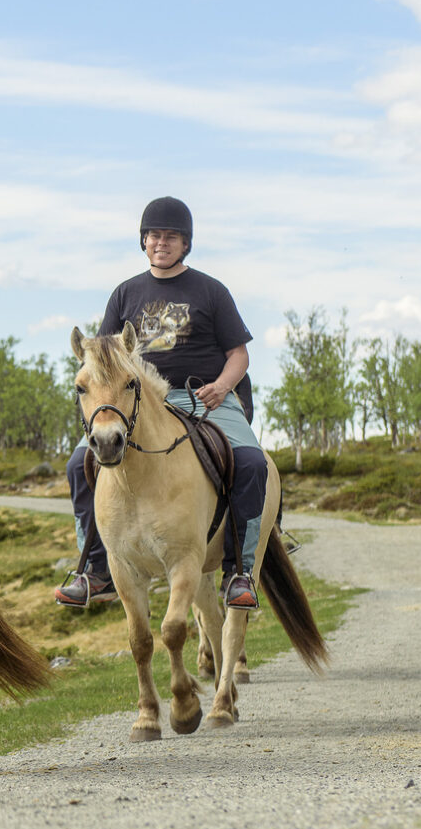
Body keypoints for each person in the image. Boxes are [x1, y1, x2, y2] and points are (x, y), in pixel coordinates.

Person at [53, 197, 266, 611]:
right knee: (79, 466)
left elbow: (239, 355)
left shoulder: (211, 290)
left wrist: (222, 387)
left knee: (253, 462)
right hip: (138, 403)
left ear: (185, 244)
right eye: (154, 235)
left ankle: (239, 570)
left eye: (171, 236)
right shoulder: (125, 293)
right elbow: (101, 358)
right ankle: (93, 570)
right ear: (143, 241)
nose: (161, 242)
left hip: (202, 396)